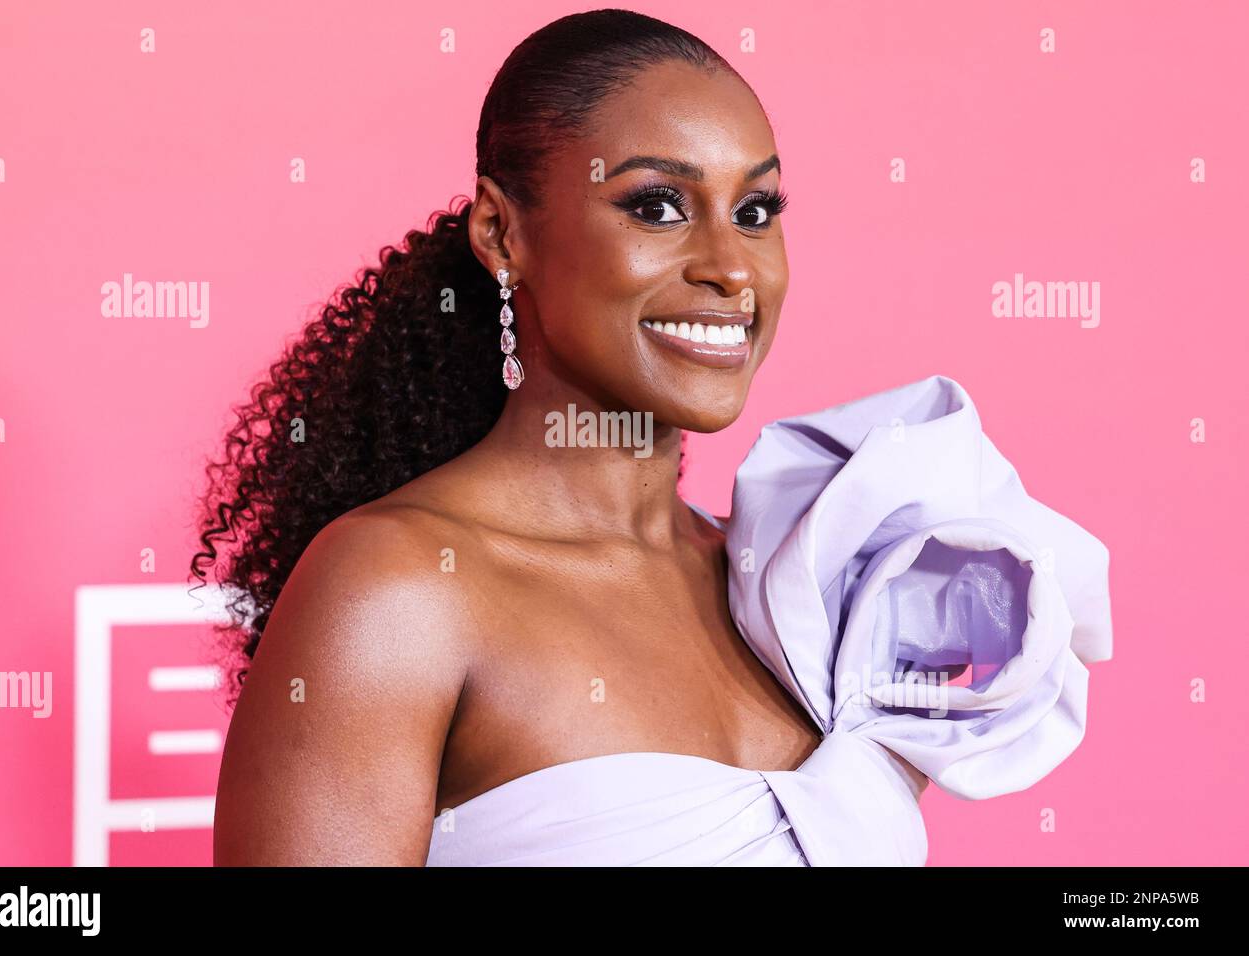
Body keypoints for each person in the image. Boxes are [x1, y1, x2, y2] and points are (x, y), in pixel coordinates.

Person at [200, 9, 1112, 866]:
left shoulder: (798, 590)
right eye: (658, 206)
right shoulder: (396, 591)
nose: (728, 266)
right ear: (499, 232)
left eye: (755, 212)